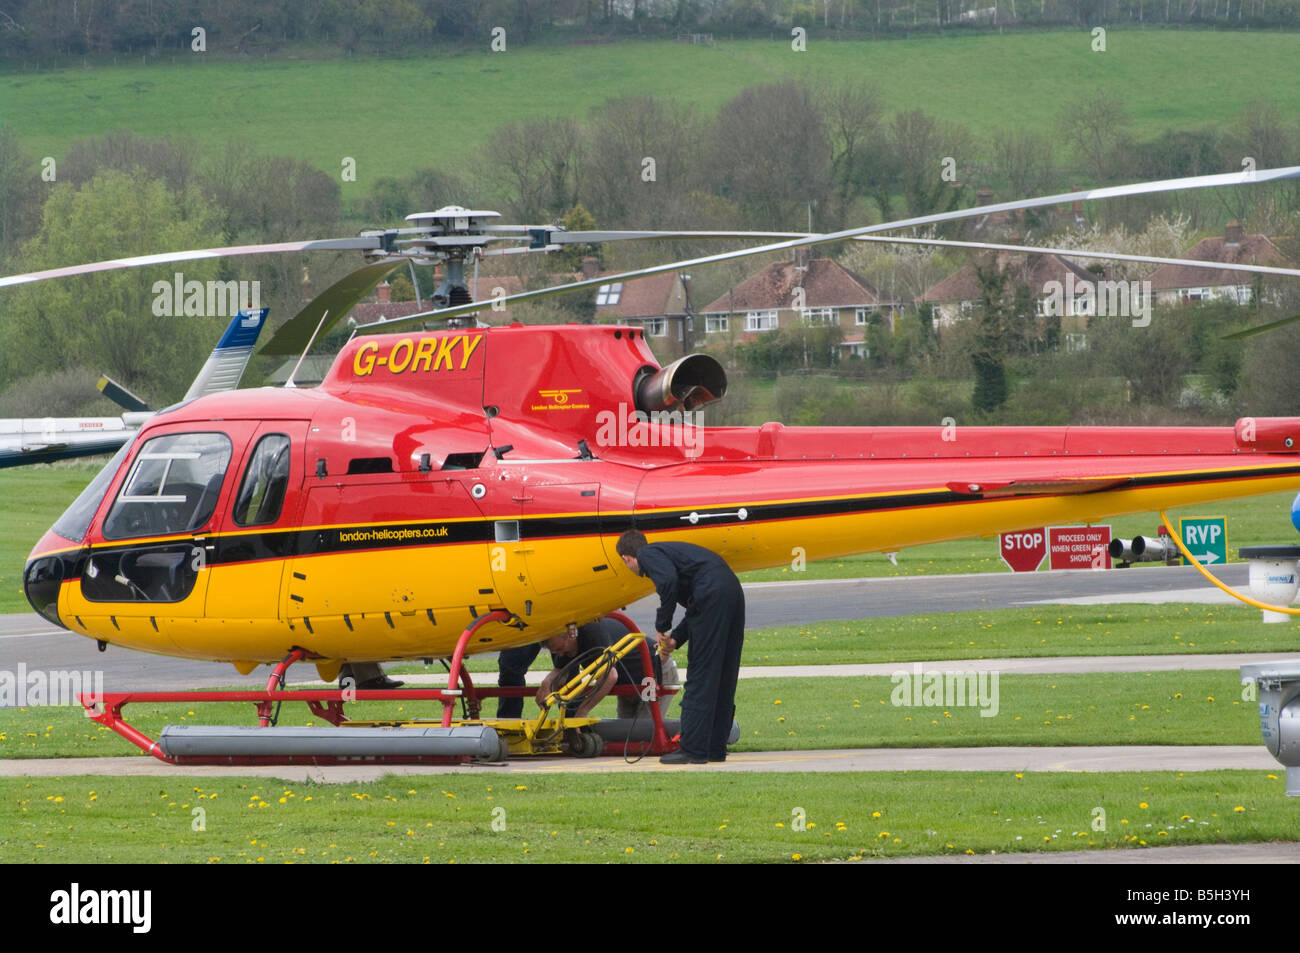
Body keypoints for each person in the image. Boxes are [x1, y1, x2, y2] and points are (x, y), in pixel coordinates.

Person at [616, 529, 744, 765]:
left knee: (701, 675)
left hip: (712, 595)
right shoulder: (672, 553)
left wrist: (662, 627)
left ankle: (693, 749)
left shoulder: (647, 554)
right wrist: (675, 639)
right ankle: (714, 747)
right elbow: (698, 607)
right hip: (731, 591)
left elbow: (668, 583)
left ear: (627, 558)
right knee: (724, 674)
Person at [535, 617, 662, 719]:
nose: (560, 655)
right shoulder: (566, 645)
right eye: (556, 652)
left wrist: (582, 711)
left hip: (653, 673)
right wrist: (547, 684)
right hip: (629, 683)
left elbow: (610, 676)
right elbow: (561, 671)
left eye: (560, 649)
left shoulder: (592, 632)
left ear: (570, 634)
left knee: (645, 734)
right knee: (626, 735)